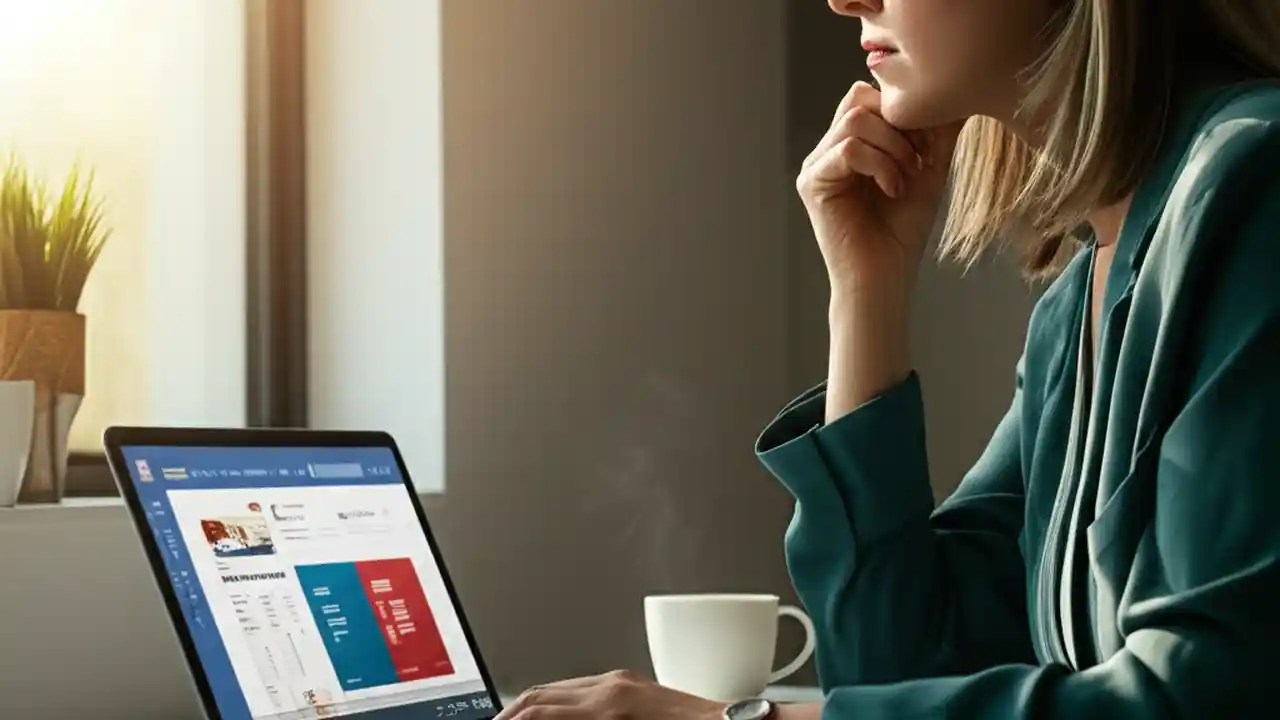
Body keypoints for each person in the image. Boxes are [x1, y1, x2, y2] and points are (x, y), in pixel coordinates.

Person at [496, 0, 1280, 717]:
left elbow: (1211, 694)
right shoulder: (1075, 307)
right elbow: (891, 667)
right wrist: (865, 293)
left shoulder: (1255, 182)